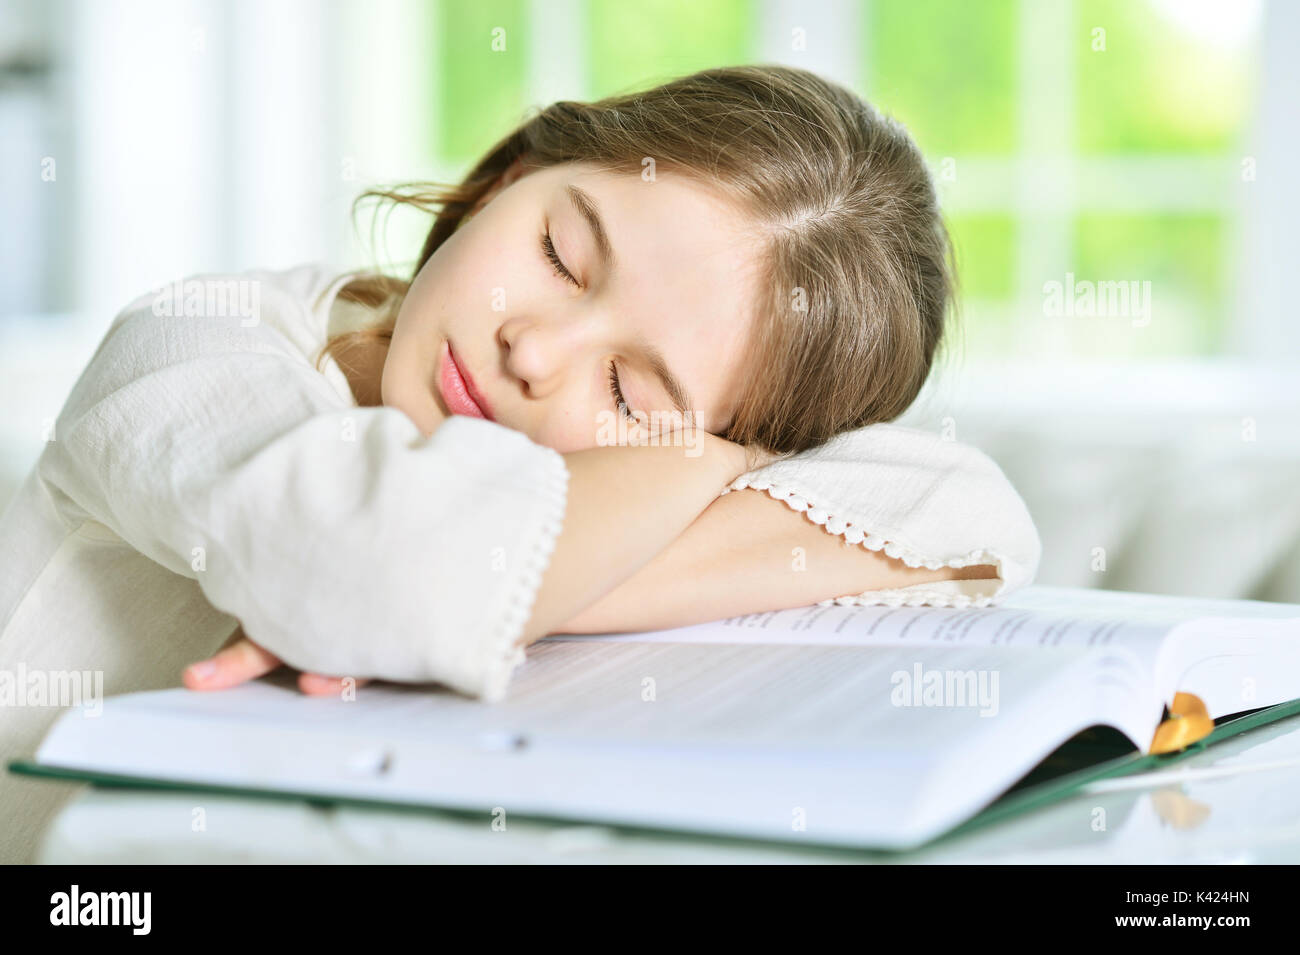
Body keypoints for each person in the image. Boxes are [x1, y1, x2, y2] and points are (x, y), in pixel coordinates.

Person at [0, 65, 1039, 862]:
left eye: (633, 396)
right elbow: (381, 567)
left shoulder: (630, 455)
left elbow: (967, 508)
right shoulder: (197, 344)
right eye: (561, 255)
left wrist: (546, 568)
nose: (533, 351)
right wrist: (660, 477)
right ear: (512, 176)